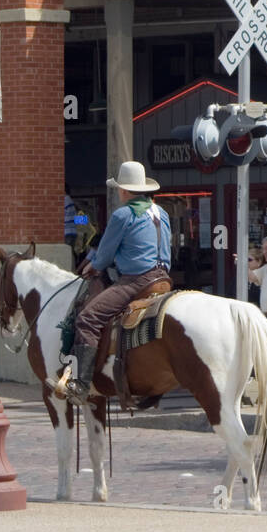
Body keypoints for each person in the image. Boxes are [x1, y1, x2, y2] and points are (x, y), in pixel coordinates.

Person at [62, 161, 171, 404]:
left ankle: (80, 384)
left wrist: (94, 265)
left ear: (124, 190)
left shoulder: (123, 214)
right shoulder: (161, 212)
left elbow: (105, 254)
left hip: (137, 281)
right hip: (163, 279)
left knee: (87, 318)